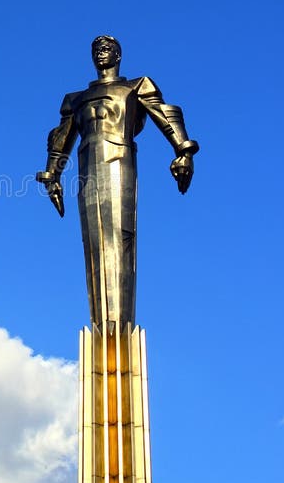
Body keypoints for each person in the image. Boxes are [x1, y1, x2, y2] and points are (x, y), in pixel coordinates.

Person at [37, 35, 199, 332]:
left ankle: (120, 326)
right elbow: (60, 140)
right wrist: (52, 175)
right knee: (93, 241)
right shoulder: (75, 99)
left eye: (107, 49)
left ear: (119, 55)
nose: (101, 53)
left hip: (119, 158)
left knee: (120, 235)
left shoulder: (135, 86)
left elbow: (166, 114)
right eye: (96, 50)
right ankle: (101, 326)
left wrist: (183, 151)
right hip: (87, 166)